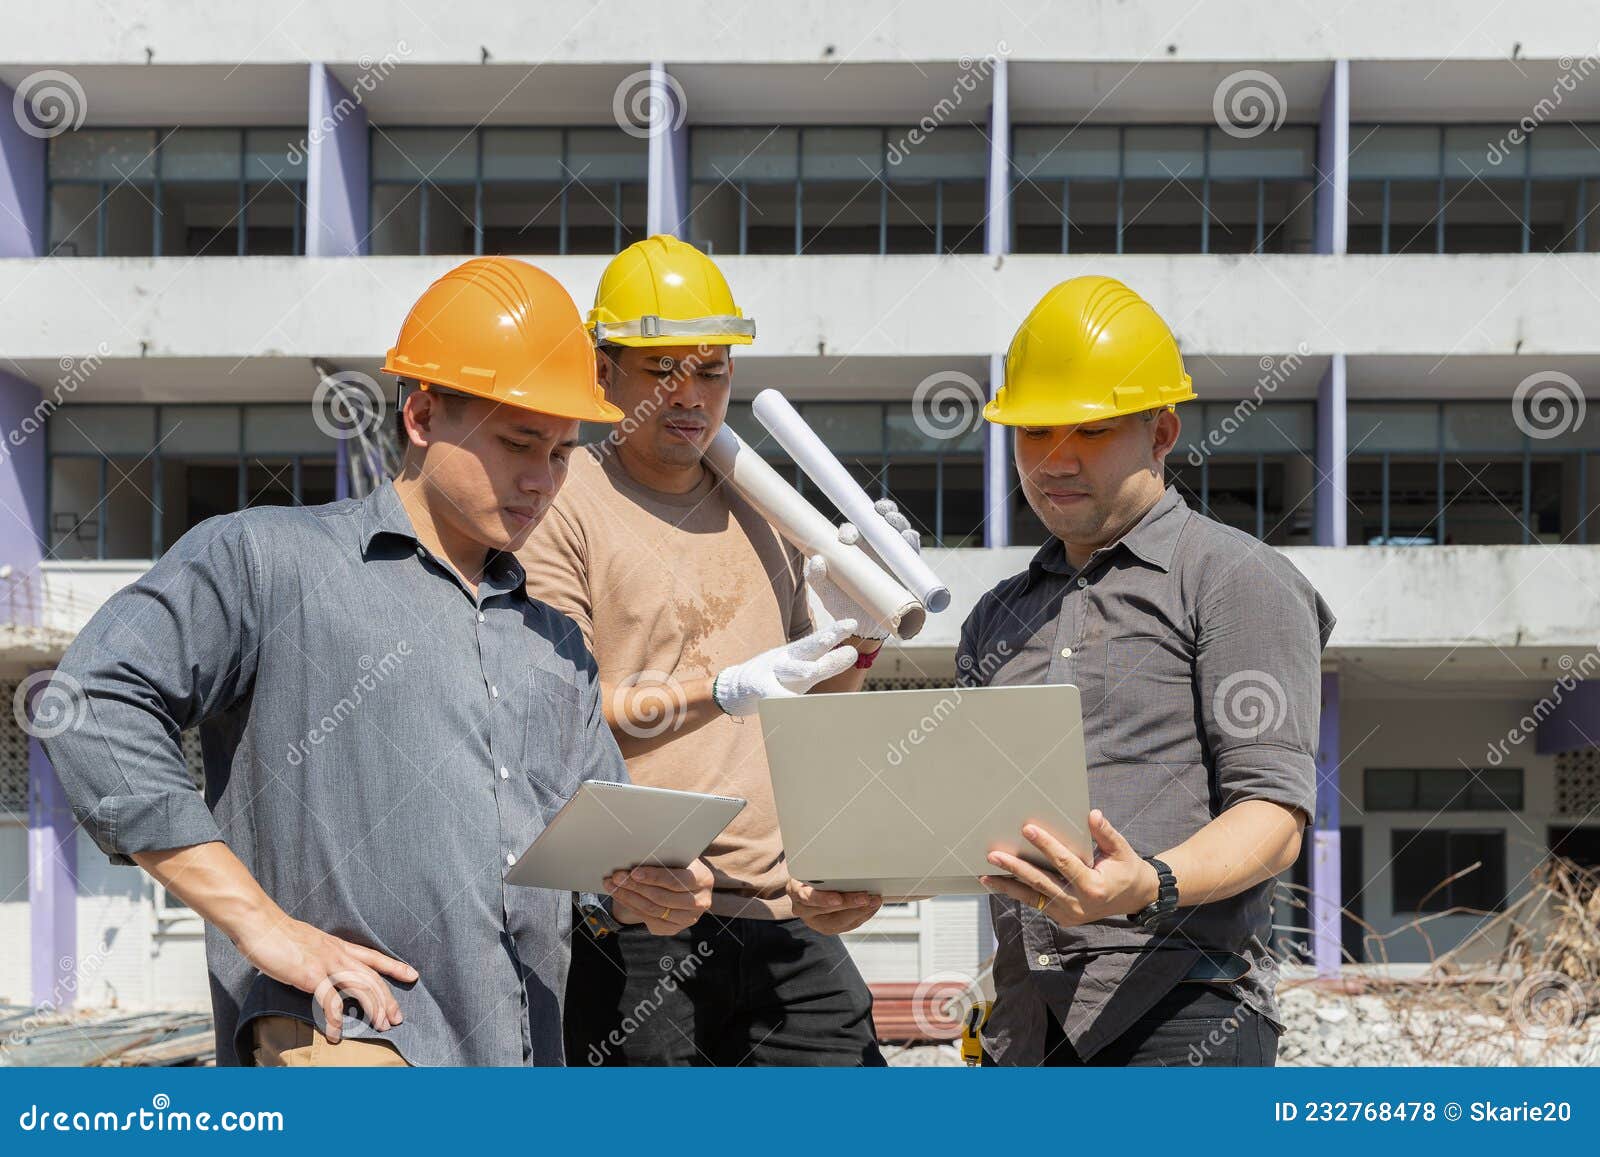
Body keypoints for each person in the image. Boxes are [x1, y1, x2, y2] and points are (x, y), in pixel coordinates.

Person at [40, 257, 714, 1067]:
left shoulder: (556, 647)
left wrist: (656, 895)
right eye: (518, 443)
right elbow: (89, 699)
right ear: (423, 414)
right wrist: (262, 924)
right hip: (348, 1043)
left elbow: (603, 868)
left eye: (565, 453)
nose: (543, 481)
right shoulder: (269, 561)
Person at [804, 276, 1334, 1066]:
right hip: (1027, 1024)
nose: (1055, 458)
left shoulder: (1236, 579)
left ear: (1162, 431)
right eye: (1033, 431)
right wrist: (867, 883)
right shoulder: (997, 617)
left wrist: (1146, 883)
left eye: (1089, 430)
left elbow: (1274, 815)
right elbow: (974, 827)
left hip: (1184, 1013)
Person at [521, 235, 907, 1066]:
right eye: (662, 369)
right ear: (603, 371)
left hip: (781, 915)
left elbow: (809, 716)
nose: (690, 394)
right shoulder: (560, 505)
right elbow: (556, 724)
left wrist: (858, 646)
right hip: (640, 917)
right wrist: (721, 686)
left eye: (712, 370)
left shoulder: (765, 510)